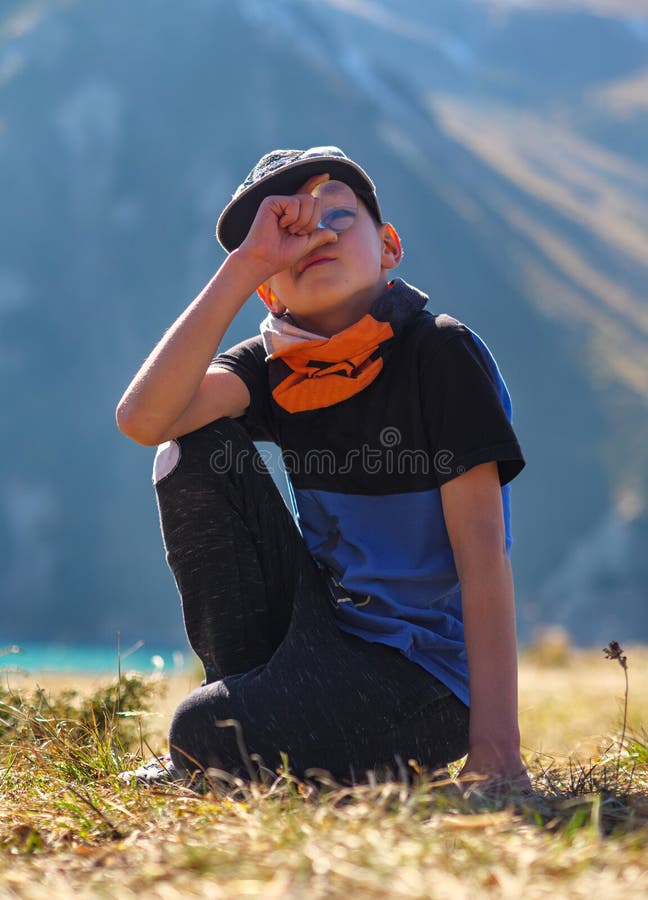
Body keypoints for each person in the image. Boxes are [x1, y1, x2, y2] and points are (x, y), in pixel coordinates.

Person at [116, 146, 530, 791]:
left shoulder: (438, 352)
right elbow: (145, 420)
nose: (314, 237)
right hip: (320, 636)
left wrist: (497, 749)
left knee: (201, 733)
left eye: (337, 217)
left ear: (389, 247)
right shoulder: (273, 363)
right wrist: (245, 262)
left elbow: (483, 561)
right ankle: (239, 710)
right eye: (287, 232)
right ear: (267, 284)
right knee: (188, 448)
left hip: (423, 675)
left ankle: (229, 739)